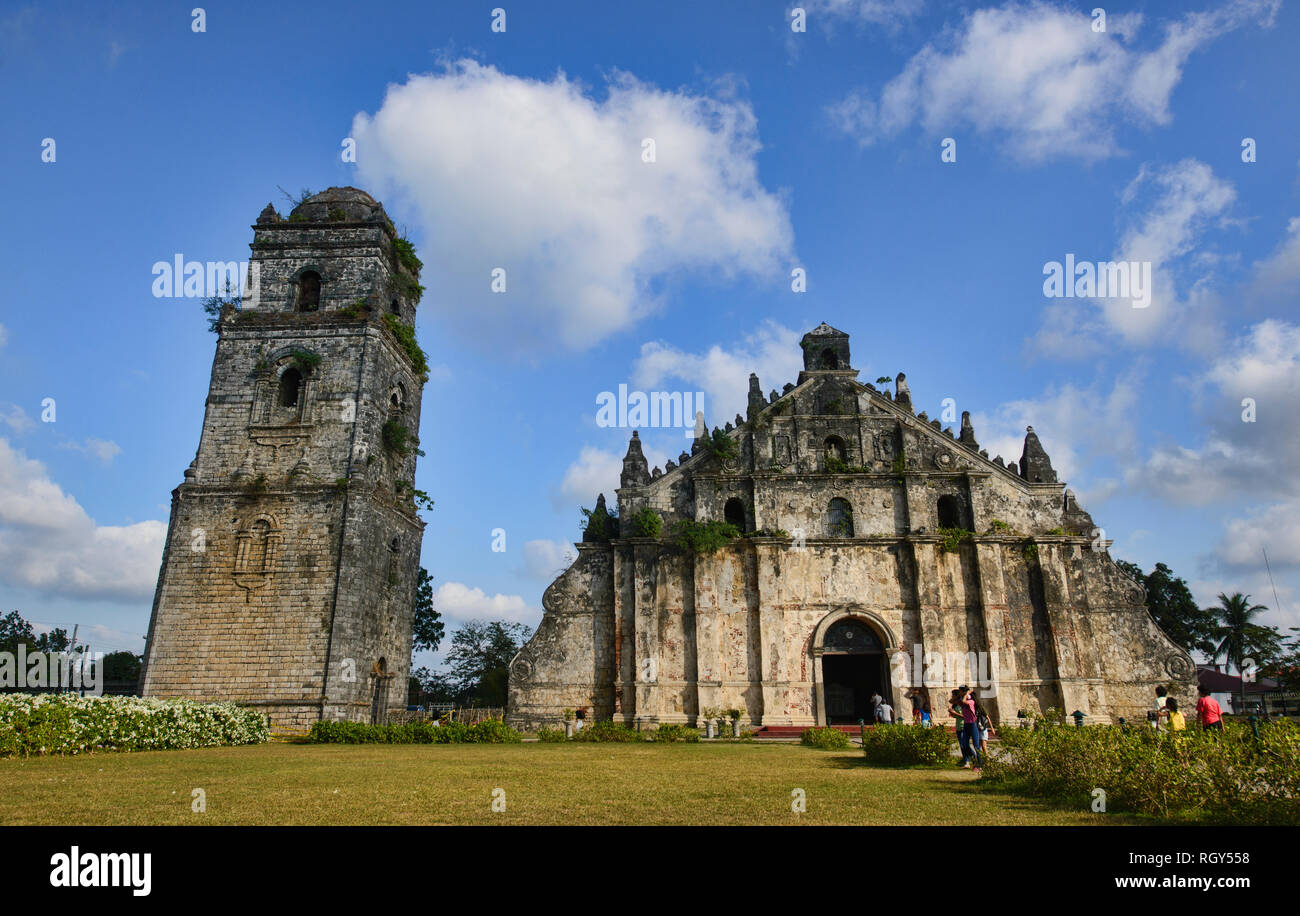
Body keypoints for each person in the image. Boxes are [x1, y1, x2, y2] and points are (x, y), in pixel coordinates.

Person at [960, 687, 982, 769]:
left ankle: (980, 764)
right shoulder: (963, 703)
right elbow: (953, 701)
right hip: (966, 725)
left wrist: (967, 693)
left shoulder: (971, 702)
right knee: (965, 744)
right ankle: (974, 760)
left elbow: (963, 701)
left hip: (972, 725)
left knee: (976, 746)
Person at [948, 689, 969, 763]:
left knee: (965, 745)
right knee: (962, 745)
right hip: (958, 726)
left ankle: (973, 759)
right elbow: (956, 716)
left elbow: (965, 716)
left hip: (963, 725)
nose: (951, 696)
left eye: (953, 695)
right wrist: (952, 713)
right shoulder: (956, 705)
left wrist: (954, 713)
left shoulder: (962, 705)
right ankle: (966, 761)